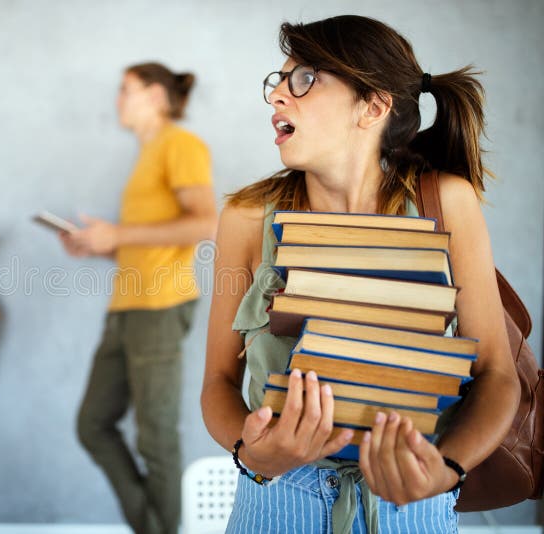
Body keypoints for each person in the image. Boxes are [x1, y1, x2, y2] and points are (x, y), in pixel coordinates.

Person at [200, 15, 520, 533]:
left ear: (372, 106)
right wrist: (251, 452)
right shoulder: (246, 217)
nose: (277, 95)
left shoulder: (447, 204)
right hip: (276, 501)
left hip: (412, 501)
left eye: (303, 78)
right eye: (277, 82)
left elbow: (497, 377)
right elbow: (217, 382)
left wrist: (445, 470)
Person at [60, 62, 217, 534]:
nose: (117, 100)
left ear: (154, 95)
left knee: (156, 440)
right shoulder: (147, 153)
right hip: (126, 309)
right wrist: (101, 245)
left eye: (124, 90)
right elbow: (150, 242)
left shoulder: (181, 145)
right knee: (93, 424)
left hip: (160, 309)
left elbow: (206, 224)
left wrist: (118, 232)